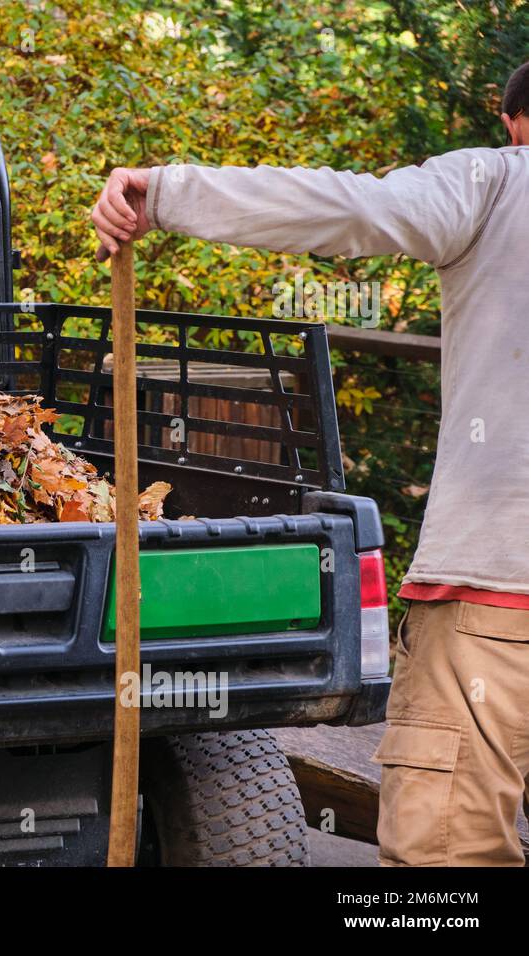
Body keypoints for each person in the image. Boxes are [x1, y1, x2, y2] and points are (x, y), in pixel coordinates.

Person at [91, 62, 529, 866]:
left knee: (449, 857)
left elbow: (350, 205)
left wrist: (170, 193)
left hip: (498, 599)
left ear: (515, 125)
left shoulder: (495, 183)